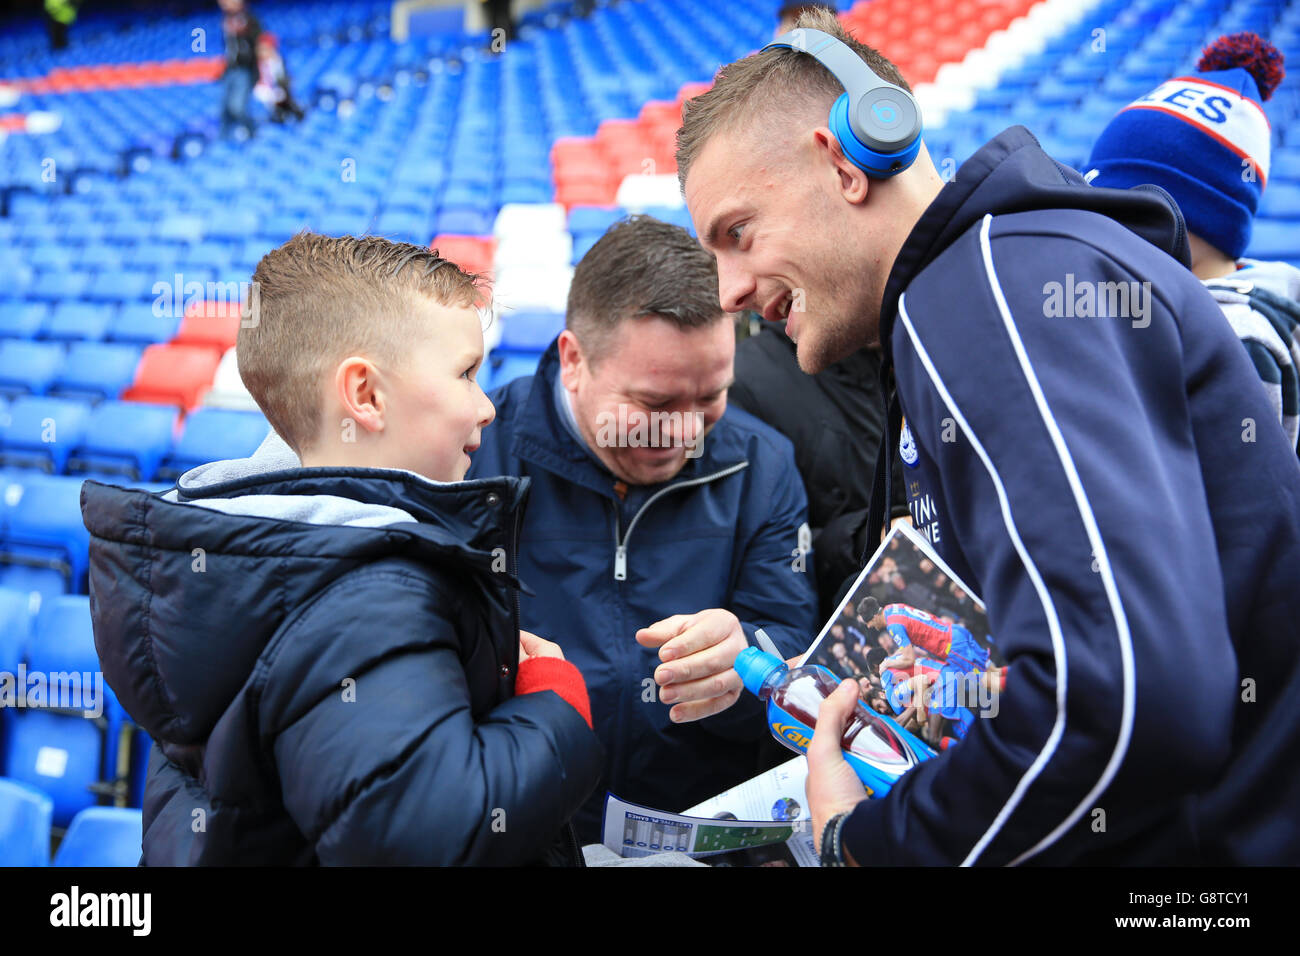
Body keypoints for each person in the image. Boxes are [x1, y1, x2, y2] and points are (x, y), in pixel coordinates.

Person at [676, 7, 1300, 865]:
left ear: (841, 164)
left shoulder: (986, 293)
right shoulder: (997, 279)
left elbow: (1121, 703)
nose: (730, 291)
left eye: (737, 235)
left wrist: (865, 845)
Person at [83, 234, 603, 865]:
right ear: (366, 395)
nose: (487, 406)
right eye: (465, 373)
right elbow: (423, 836)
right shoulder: (370, 593)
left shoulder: (255, 555)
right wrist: (554, 709)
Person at [467, 215, 818, 842]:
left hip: (704, 839)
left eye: (711, 396)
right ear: (573, 360)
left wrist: (744, 661)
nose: (685, 434)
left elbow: (795, 660)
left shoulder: (763, 463)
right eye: (655, 405)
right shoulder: (474, 458)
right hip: (518, 835)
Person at [1086, 33, 1299, 453]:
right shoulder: (1158, 298)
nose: (1106, 221)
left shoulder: (1237, 342)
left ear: (1194, 219)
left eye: (1127, 204)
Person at [218, 0, 261, 140]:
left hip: (244, 70)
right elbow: (229, 50)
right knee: (224, 110)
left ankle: (253, 134)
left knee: (237, 107)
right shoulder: (227, 20)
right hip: (231, 71)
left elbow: (257, 45)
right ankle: (223, 142)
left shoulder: (249, 20)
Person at [253, 32, 306, 124]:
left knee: (285, 97)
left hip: (280, 92)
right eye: (261, 49)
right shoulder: (255, 65)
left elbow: (283, 79)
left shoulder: (278, 62)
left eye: (266, 49)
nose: (263, 52)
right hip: (264, 94)